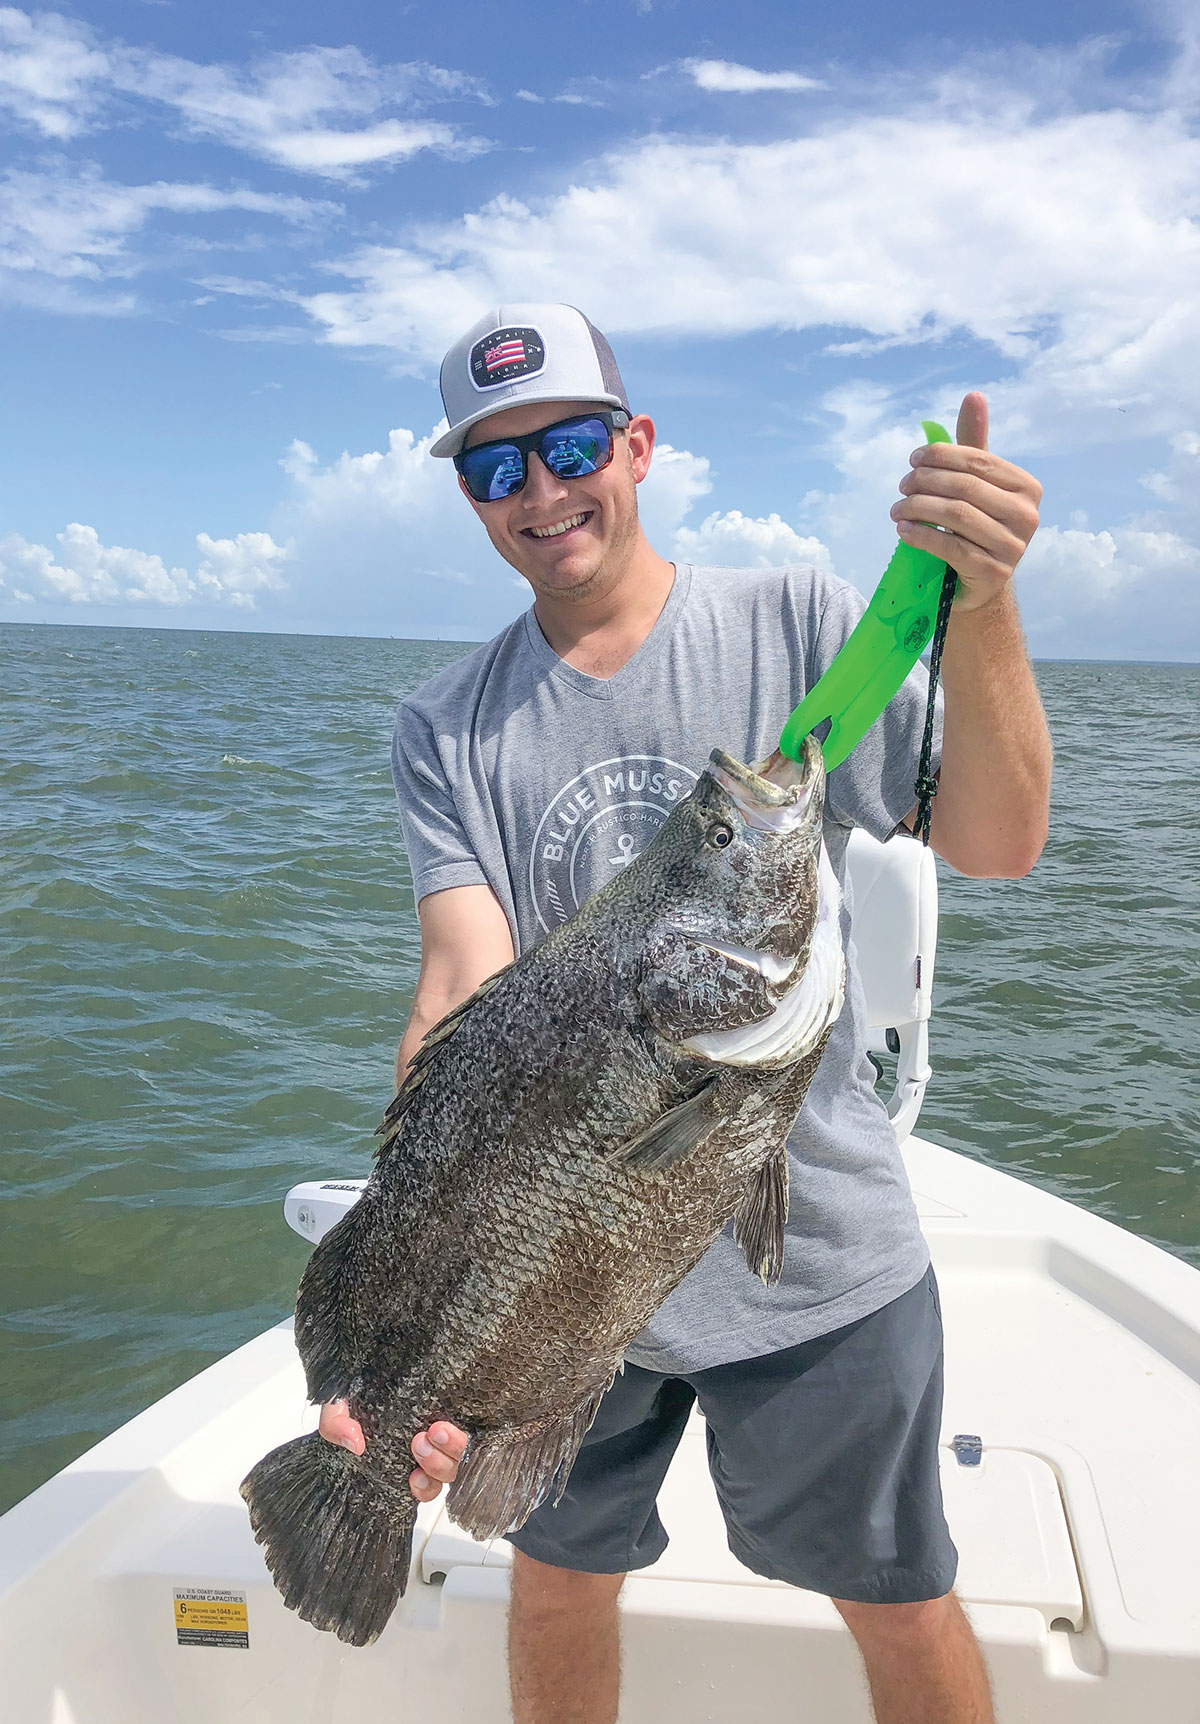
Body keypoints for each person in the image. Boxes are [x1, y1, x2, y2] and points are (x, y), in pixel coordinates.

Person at [319, 303, 1051, 1724]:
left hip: (821, 1257)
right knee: (556, 1584)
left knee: (899, 1603)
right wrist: (403, 1299)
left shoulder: (798, 624)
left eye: (571, 445)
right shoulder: (445, 726)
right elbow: (463, 982)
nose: (540, 492)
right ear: (468, 496)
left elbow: (999, 842)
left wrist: (987, 600)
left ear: (636, 446)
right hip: (560, 1287)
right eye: (494, 469)